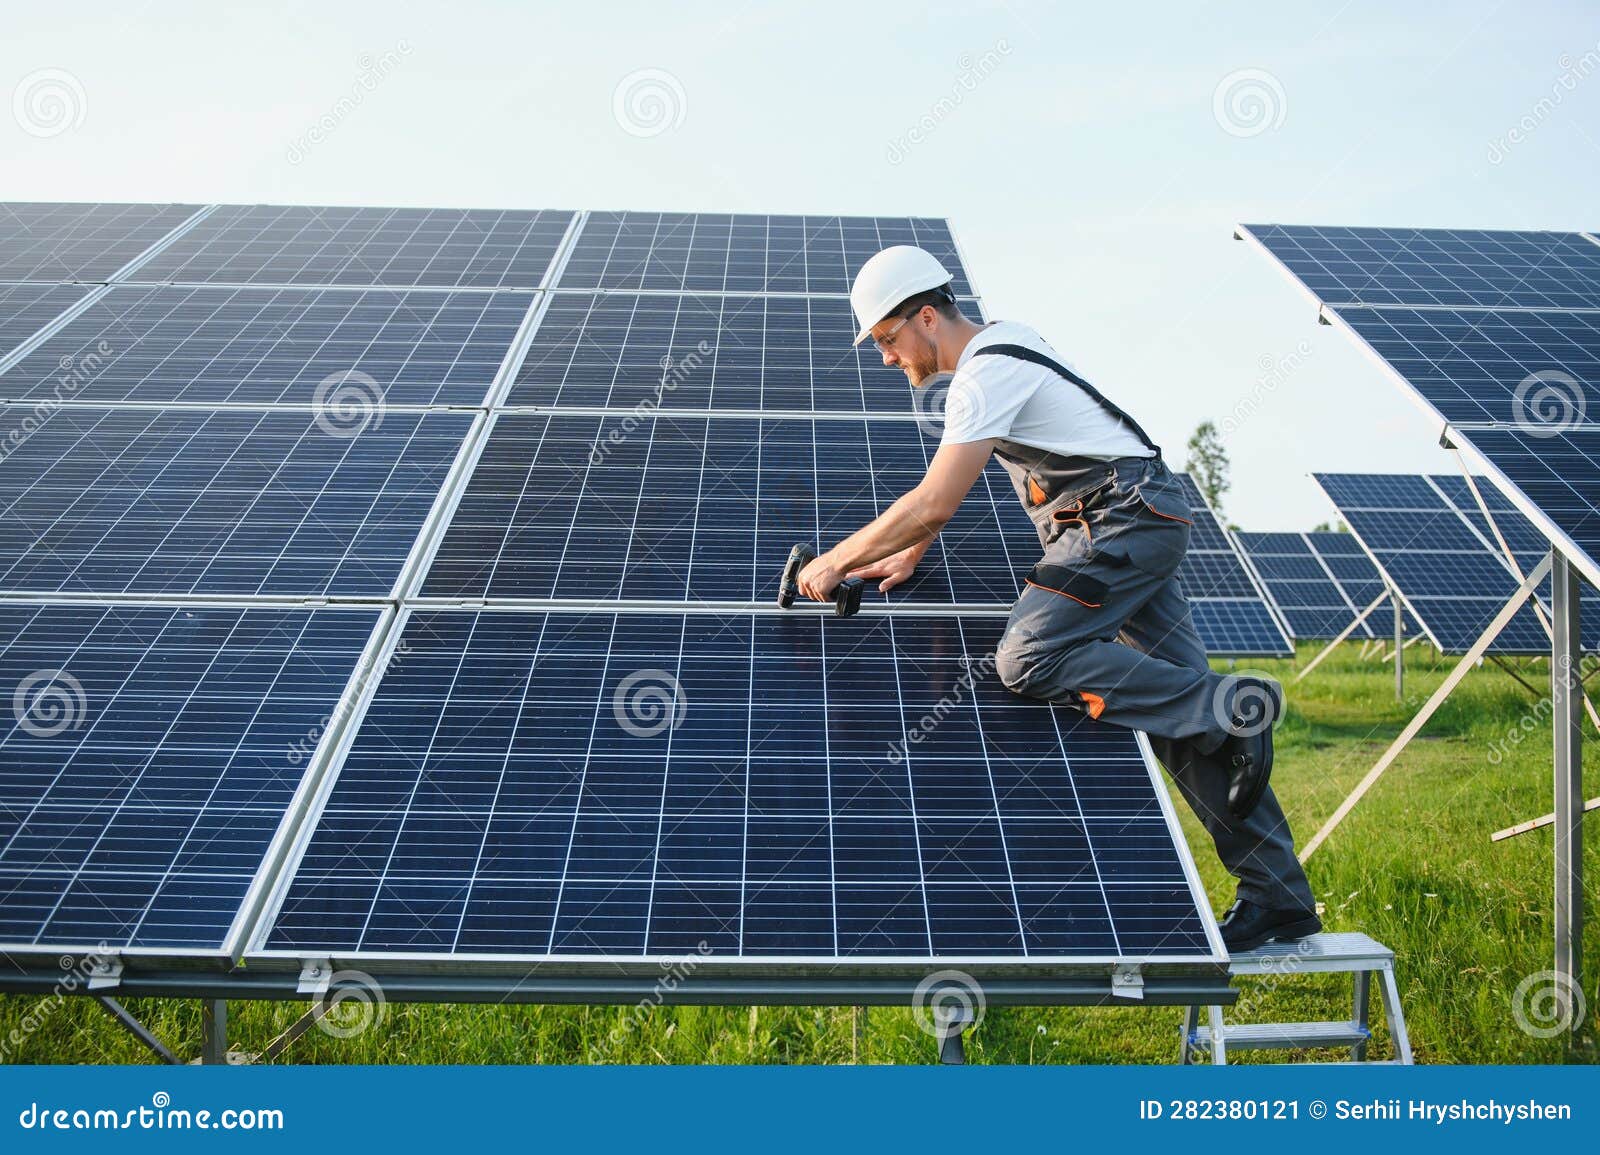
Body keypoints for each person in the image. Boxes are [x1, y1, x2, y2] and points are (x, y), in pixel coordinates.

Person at [796, 245, 1319, 951]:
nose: (887, 358)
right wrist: (908, 548)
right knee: (1178, 711)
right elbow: (954, 485)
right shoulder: (1008, 342)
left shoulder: (980, 378)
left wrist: (833, 561)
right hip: (1143, 513)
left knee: (1027, 657)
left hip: (1117, 521)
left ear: (925, 316)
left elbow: (935, 499)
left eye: (888, 339)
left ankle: (1226, 711)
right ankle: (1278, 895)